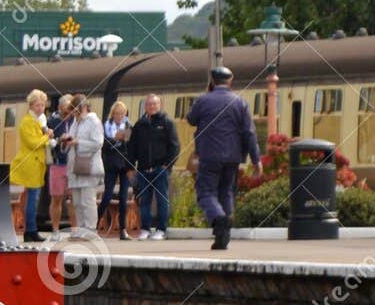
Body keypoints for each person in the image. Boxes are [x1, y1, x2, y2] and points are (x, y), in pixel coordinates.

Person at [186, 66, 262, 250]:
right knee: (226, 192)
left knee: (205, 192)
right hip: (233, 157)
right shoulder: (240, 102)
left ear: (212, 81)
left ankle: (219, 219)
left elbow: (191, 119)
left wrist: (207, 94)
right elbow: (249, 133)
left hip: (209, 155)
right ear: (231, 80)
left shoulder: (203, 100)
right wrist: (256, 160)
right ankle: (223, 236)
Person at [130, 94, 181, 239]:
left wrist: (167, 165)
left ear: (160, 105)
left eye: (154, 104)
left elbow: (175, 146)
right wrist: (130, 166)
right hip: (143, 169)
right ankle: (145, 229)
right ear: (145, 106)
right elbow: (132, 146)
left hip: (160, 169)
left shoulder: (167, 123)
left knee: (162, 200)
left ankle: (161, 229)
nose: (152, 106)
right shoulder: (139, 125)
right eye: (149, 104)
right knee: (144, 201)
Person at [8, 90, 51, 242]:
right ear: (31, 106)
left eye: (43, 105)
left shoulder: (40, 122)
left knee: (33, 199)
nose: (40, 108)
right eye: (37, 105)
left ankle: (30, 230)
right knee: (33, 199)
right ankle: (31, 230)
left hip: (36, 165)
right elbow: (33, 143)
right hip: (30, 165)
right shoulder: (27, 122)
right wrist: (47, 137)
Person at [63, 93, 104, 239]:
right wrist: (66, 140)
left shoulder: (93, 122)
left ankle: (91, 229)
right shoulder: (75, 123)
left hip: (89, 166)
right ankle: (81, 228)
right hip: (75, 167)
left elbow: (98, 143)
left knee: (87, 200)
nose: (74, 113)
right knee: (77, 202)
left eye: (76, 109)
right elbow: (72, 142)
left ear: (84, 107)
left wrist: (78, 142)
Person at [98, 100, 134, 239]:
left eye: (122, 113)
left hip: (125, 164)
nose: (119, 116)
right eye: (117, 113)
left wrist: (125, 139)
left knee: (123, 198)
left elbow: (132, 146)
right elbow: (103, 145)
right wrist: (115, 139)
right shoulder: (106, 126)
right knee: (107, 196)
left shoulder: (129, 126)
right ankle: (95, 224)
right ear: (112, 114)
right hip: (111, 164)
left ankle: (122, 230)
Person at [45, 93, 73, 232]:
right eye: (66, 110)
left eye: (70, 109)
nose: (68, 113)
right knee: (56, 198)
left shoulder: (76, 120)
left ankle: (75, 230)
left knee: (73, 198)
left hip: (73, 164)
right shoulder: (51, 121)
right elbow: (47, 142)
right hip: (58, 164)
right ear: (59, 107)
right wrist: (58, 140)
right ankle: (55, 230)